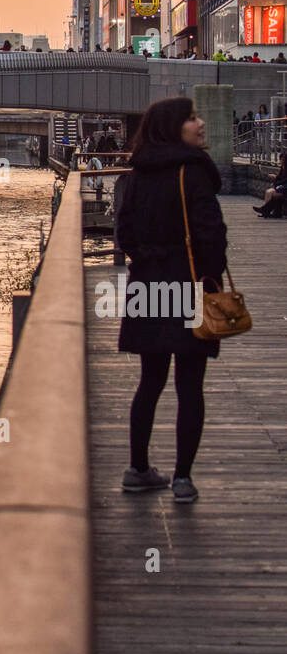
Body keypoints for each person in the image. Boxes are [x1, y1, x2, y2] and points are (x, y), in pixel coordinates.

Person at [115, 97, 227, 503]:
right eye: (193, 118)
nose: (200, 124)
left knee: (150, 381)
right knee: (190, 385)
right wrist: (209, 279)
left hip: (148, 286)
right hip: (189, 286)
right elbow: (212, 236)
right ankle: (182, 478)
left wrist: (146, 260)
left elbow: (124, 233)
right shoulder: (193, 172)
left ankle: (138, 468)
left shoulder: (139, 173)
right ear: (174, 127)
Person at [253, 150, 287, 218]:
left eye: (281, 159)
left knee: (273, 194)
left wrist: (276, 182)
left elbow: (285, 180)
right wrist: (275, 179)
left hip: (285, 189)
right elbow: (280, 178)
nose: (280, 161)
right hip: (283, 188)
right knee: (268, 192)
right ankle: (266, 212)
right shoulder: (282, 168)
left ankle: (265, 210)